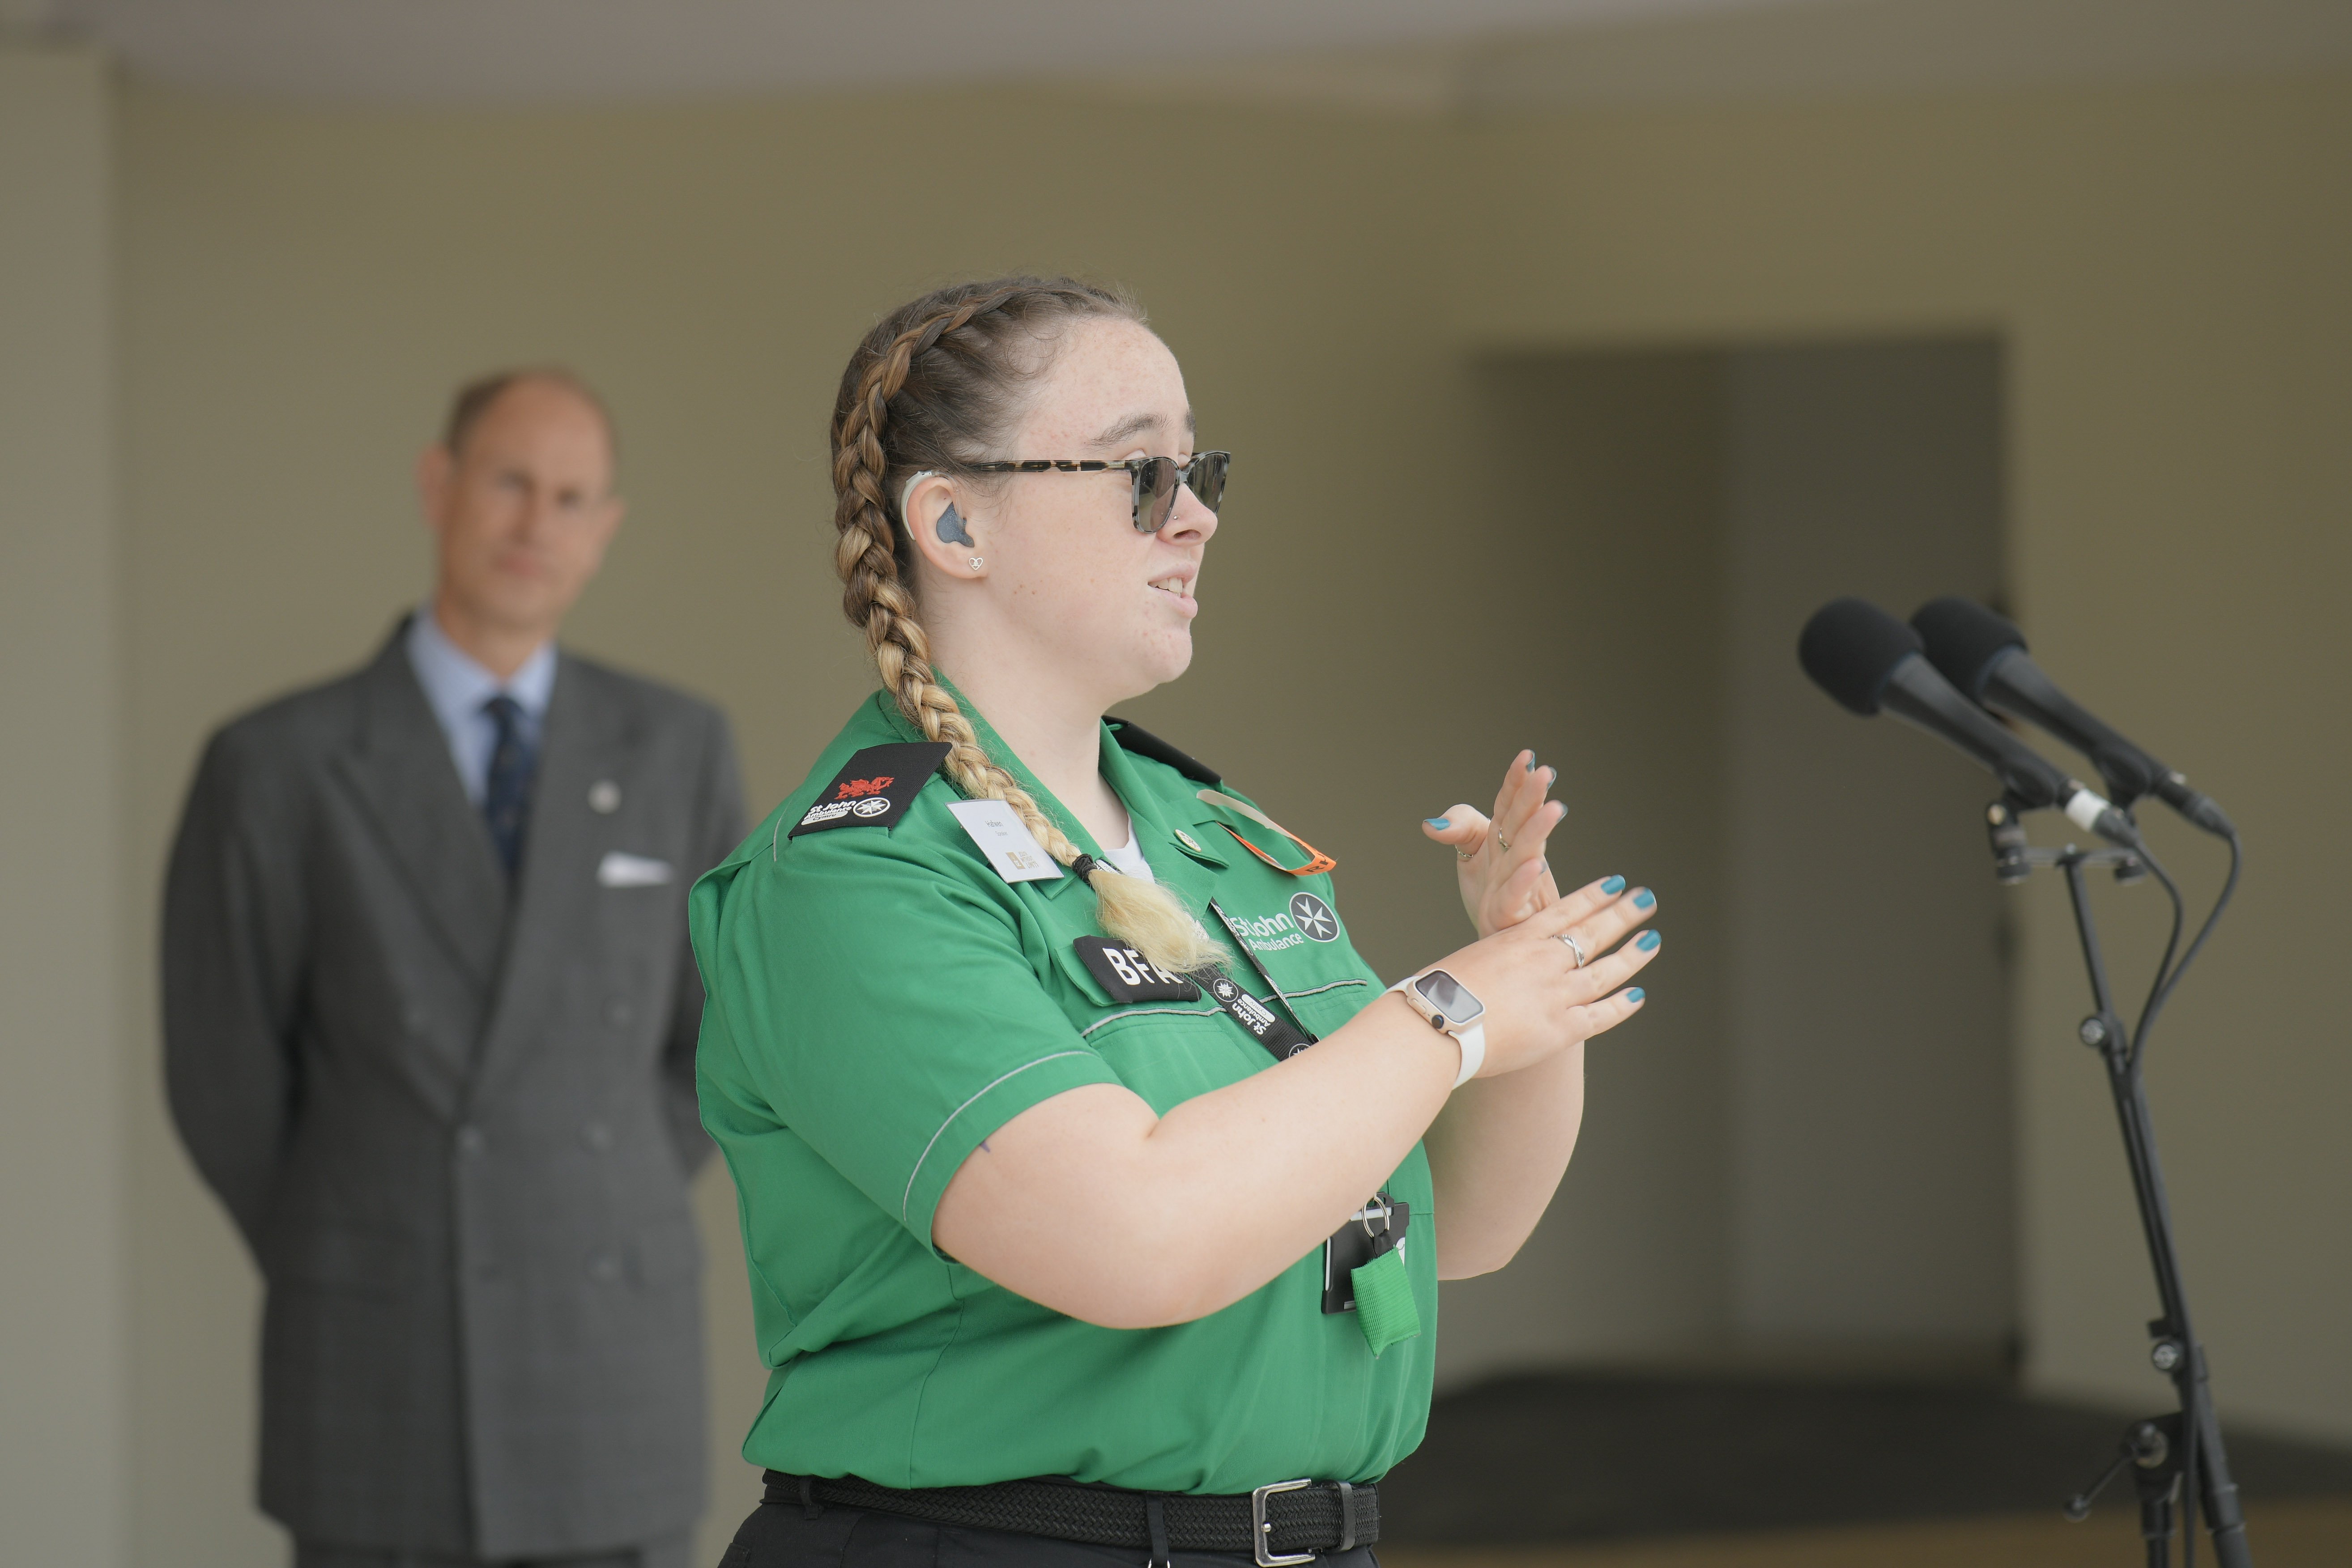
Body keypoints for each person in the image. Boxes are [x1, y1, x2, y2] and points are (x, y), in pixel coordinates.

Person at [691, 277, 1664, 1568]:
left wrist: (1532, 996)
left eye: (1198, 467)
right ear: (955, 523)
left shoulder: (1210, 837)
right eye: (1136, 472)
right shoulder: (861, 878)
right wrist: (1448, 1014)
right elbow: (1135, 1237)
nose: (1196, 515)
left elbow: (1464, 1223)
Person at [163, 369, 745, 1568]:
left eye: (573, 497)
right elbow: (223, 1073)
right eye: (511, 482)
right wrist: (367, 1225)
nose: (538, 523)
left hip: (608, 1347)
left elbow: (726, 1038)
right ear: (440, 486)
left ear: (605, 532)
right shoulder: (275, 763)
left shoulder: (678, 749)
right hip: (377, 1351)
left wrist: (594, 1175)